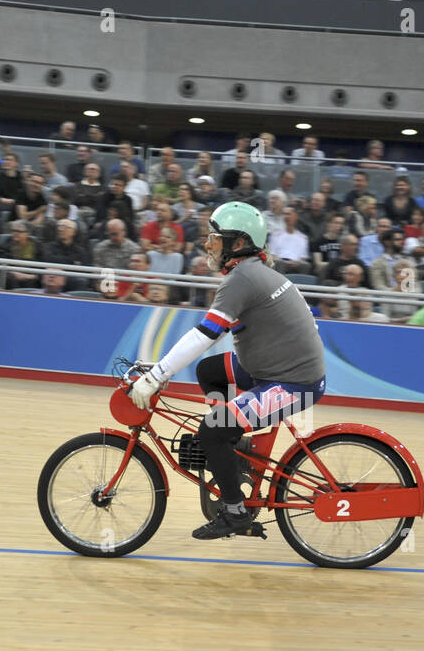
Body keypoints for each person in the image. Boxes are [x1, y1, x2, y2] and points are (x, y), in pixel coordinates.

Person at [128, 201, 326, 540]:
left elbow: (205, 334)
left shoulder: (242, 278)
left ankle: (235, 511)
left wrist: (156, 375)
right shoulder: (254, 271)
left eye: (215, 239)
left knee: (212, 429)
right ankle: (234, 455)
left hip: (293, 382)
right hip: (276, 369)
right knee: (210, 372)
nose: (207, 245)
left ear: (238, 244)